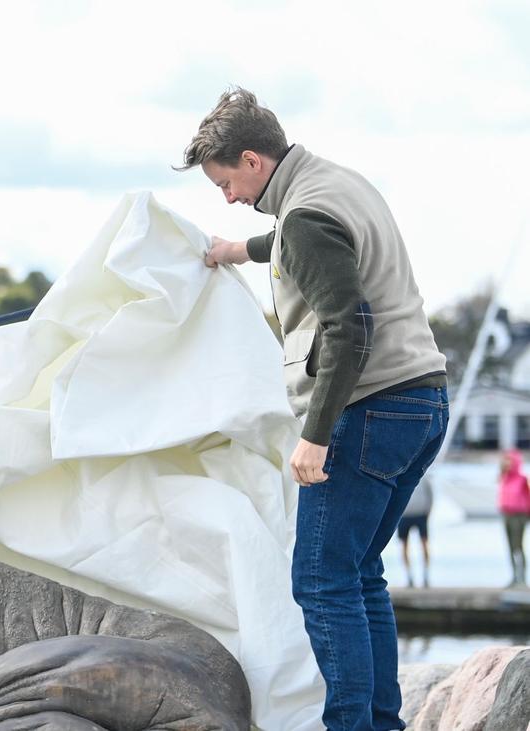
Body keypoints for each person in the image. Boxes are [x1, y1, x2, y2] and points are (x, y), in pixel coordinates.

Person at [180, 88, 449, 731]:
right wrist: (232, 251)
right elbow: (299, 246)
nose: (228, 197)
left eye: (225, 183)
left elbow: (349, 326)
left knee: (322, 582)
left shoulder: (303, 216)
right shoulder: (333, 185)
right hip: (423, 399)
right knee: (361, 575)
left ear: (252, 159)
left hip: (368, 411)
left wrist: (316, 437)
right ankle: (384, 724)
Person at [498, 449, 530, 587]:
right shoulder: (504, 477)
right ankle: (514, 577)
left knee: (518, 546)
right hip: (507, 515)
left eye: (509, 460)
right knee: (510, 547)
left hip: (519, 515)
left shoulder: (522, 479)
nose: (507, 462)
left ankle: (522, 579)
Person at [396, 476, 432, 588]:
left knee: (424, 544)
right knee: (404, 546)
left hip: (421, 515)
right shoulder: (400, 475)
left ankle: (425, 575)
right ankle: (409, 577)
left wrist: (427, 513)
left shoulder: (424, 477)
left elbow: (430, 496)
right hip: (404, 515)